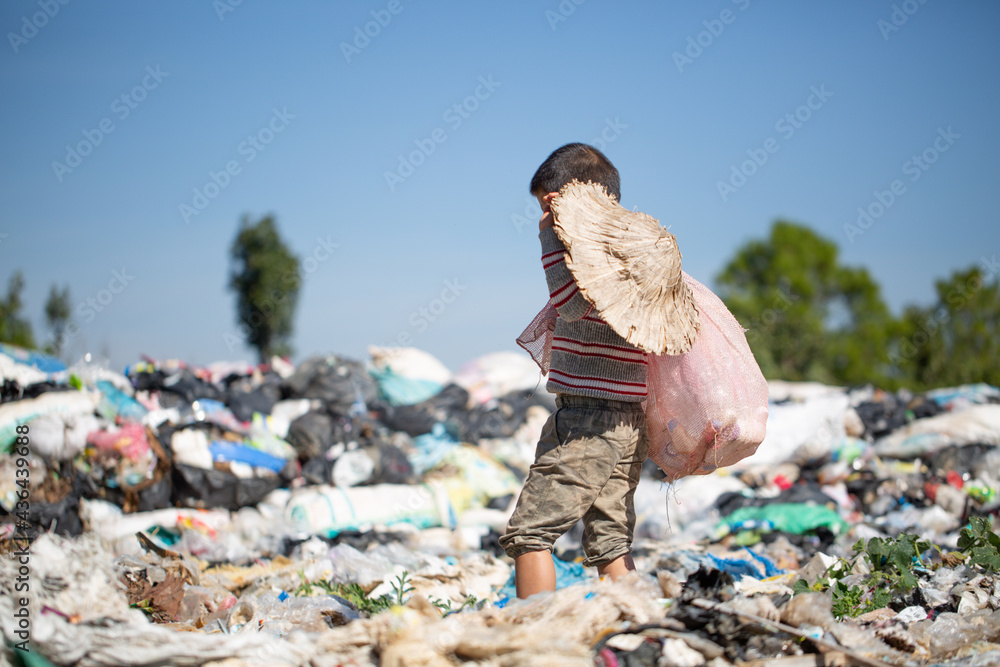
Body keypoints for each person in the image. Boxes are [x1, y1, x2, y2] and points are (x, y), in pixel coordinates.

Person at [499, 143, 650, 598]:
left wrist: (549, 236)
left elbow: (571, 305)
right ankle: (640, 631)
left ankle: (534, 642)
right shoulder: (638, 257)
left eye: (548, 206)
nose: (544, 218)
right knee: (609, 542)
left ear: (574, 198)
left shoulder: (593, 259)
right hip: (627, 418)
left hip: (587, 419)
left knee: (530, 534)